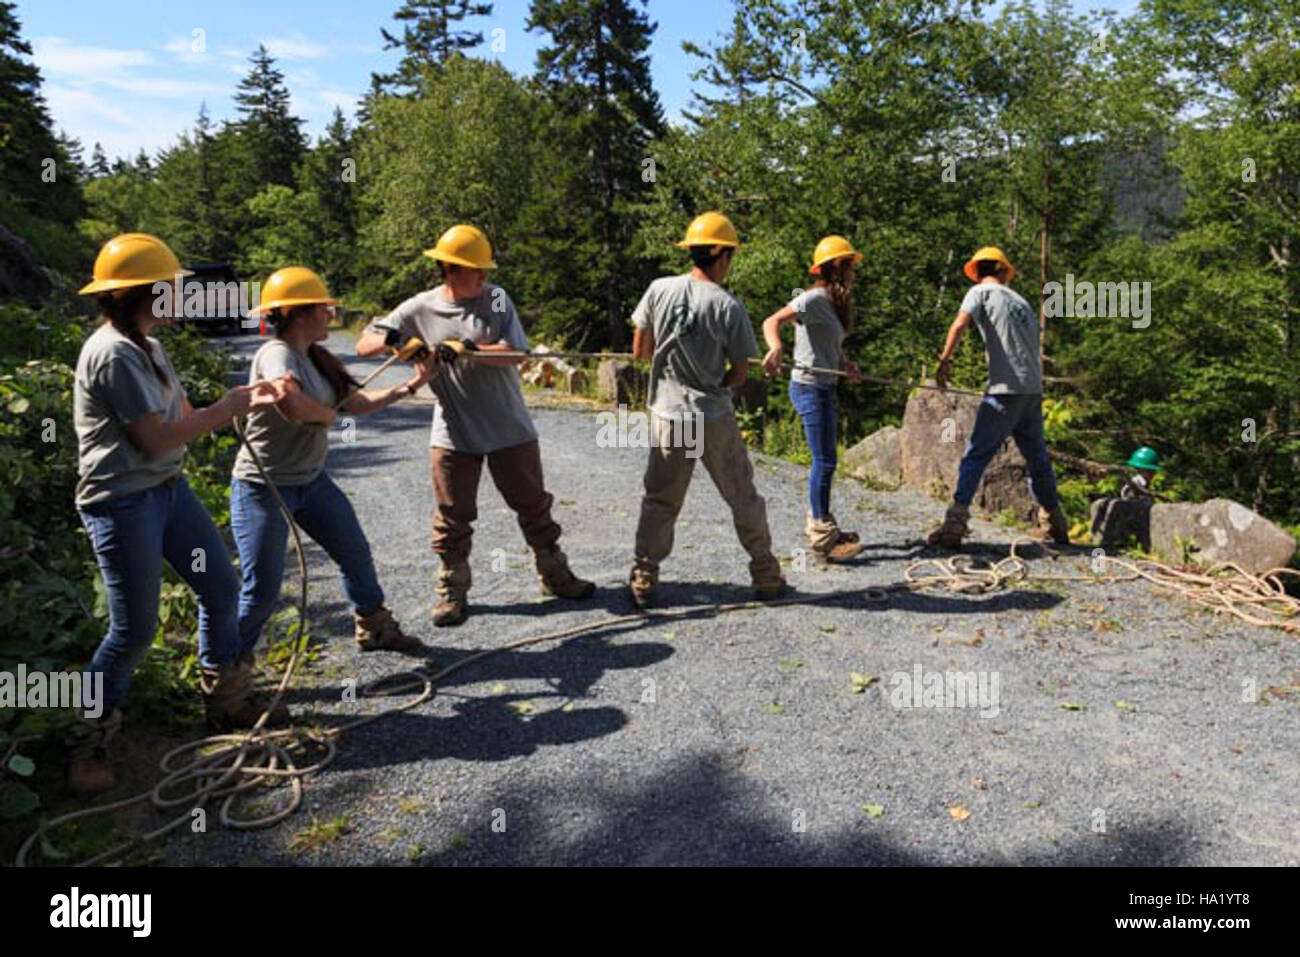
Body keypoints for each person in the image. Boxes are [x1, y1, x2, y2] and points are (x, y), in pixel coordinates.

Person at [71, 233, 288, 794]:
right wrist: (225, 410)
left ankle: (225, 700)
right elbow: (152, 437)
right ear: (138, 294)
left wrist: (247, 398)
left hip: (167, 489)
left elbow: (181, 413)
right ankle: (89, 734)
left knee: (220, 589)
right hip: (121, 502)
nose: (176, 299)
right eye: (168, 289)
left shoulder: (145, 343)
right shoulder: (112, 352)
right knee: (134, 630)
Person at [356, 224, 594, 627]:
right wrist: (400, 342)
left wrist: (469, 349)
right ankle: (452, 588)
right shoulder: (419, 307)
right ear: (449, 270)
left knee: (534, 505)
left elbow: (516, 353)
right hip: (453, 431)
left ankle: (555, 573)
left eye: (484, 270)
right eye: (474, 270)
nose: (483, 277)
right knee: (452, 515)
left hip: (509, 428)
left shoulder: (497, 300)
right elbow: (365, 343)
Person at [233, 267, 430, 666]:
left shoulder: (315, 357)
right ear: (301, 313)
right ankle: (228, 671)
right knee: (261, 588)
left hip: (310, 480)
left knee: (354, 552)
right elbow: (287, 400)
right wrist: (322, 416)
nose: (330, 315)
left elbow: (354, 404)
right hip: (264, 486)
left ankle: (375, 626)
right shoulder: (276, 354)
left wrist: (410, 386)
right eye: (324, 308)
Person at [628, 211, 785, 608]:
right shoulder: (728, 306)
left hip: (670, 415)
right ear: (723, 256)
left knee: (661, 499)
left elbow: (640, 352)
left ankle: (645, 575)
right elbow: (738, 374)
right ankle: (765, 573)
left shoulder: (658, 289)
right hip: (711, 416)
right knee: (742, 496)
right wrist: (714, 380)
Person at [927, 246, 1069, 548]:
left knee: (976, 454)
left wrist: (945, 360)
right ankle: (1055, 522)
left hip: (1005, 391)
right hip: (1031, 391)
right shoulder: (1021, 302)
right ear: (1003, 271)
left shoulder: (979, 293)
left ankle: (954, 524)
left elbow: (960, 323)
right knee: (1037, 459)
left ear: (978, 272)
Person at [761, 235, 867, 563]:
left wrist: (844, 365)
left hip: (824, 385)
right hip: (809, 387)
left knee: (827, 460)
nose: (854, 271)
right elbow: (772, 321)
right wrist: (775, 347)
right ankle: (822, 537)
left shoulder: (833, 303)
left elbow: (827, 347)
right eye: (850, 264)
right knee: (824, 461)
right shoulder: (814, 298)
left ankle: (825, 525)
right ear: (837, 267)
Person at [1089, 446, 1161, 551]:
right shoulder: (1136, 484)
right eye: (1150, 471)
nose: (1153, 474)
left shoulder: (1138, 482)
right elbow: (1128, 500)